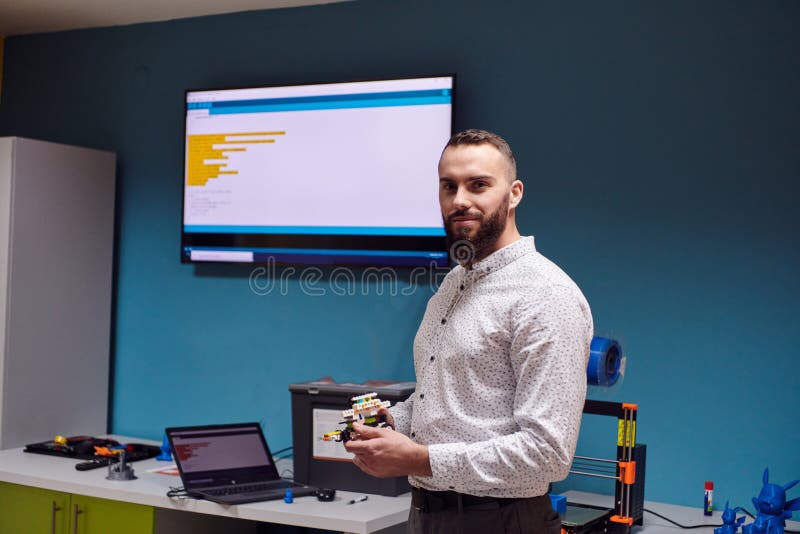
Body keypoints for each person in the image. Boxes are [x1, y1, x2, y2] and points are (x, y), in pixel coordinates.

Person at [344, 129, 593, 534]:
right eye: (449, 186)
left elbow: (549, 454)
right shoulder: (453, 285)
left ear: (513, 194)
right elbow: (446, 402)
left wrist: (421, 459)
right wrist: (391, 419)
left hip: (501, 520)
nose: (460, 200)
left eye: (478, 185)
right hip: (427, 513)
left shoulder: (545, 295)